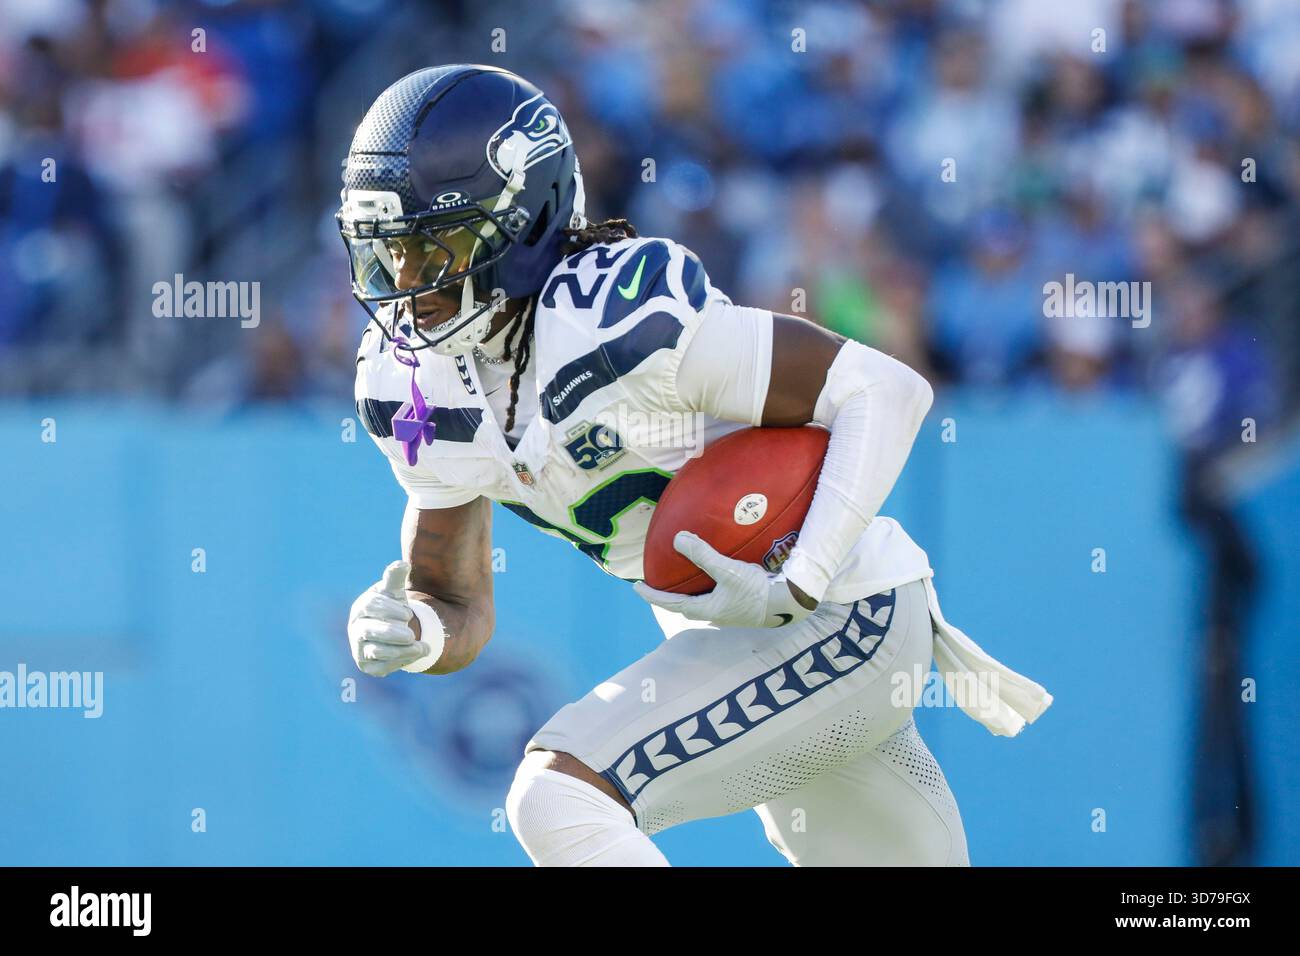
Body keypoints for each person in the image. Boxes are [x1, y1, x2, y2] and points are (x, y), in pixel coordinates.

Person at [342, 64, 1052, 866]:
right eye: (390, 251)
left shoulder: (611, 318)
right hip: (745, 642)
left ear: (524, 219)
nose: (408, 284)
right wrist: (419, 630)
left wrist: (802, 575)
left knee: (559, 795)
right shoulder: (409, 385)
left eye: (438, 246)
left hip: (836, 610)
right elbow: (454, 598)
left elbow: (886, 391)